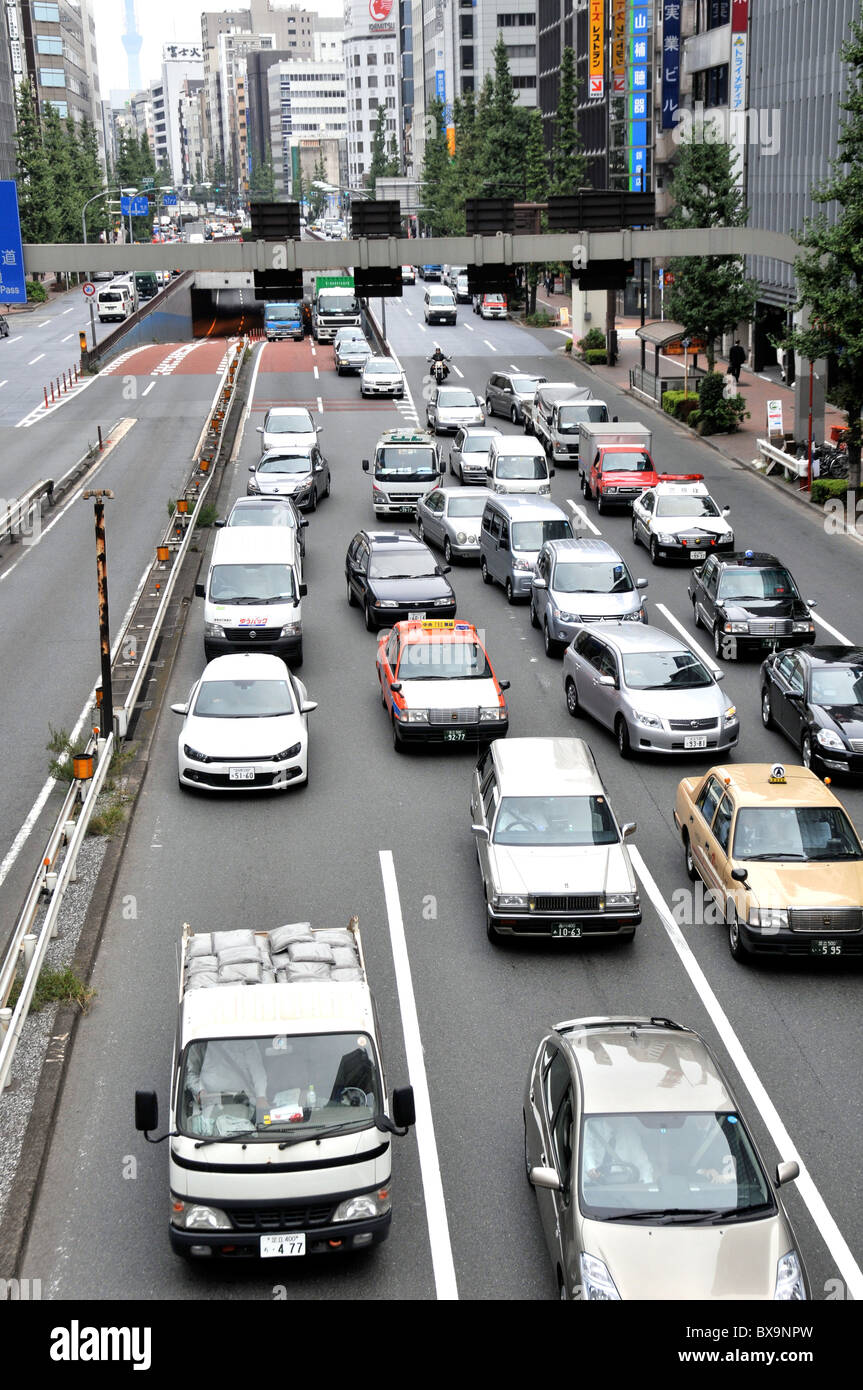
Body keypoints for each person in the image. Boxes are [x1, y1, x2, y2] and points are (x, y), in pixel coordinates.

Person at [582, 1116, 654, 1183]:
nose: (618, 1118)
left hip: (622, 1186)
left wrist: (647, 1185)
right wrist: (591, 1169)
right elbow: (587, 1151)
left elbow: (642, 1162)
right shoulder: (591, 1128)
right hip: (595, 1185)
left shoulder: (629, 1133)